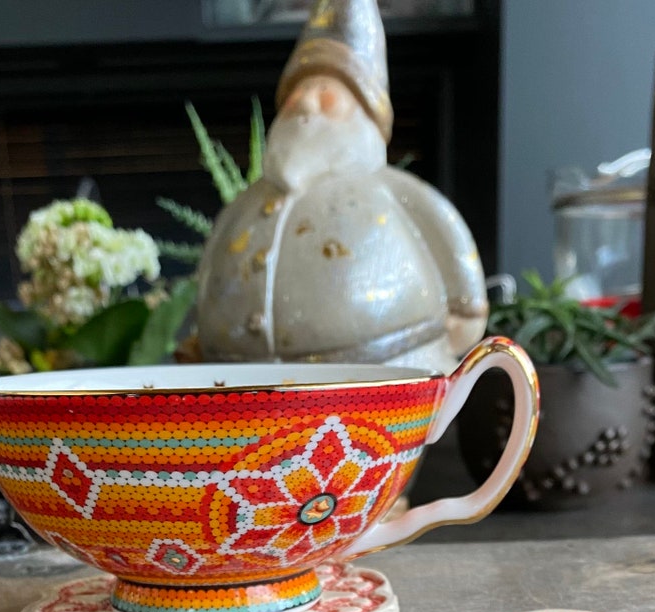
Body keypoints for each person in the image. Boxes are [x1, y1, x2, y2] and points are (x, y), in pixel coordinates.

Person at [196, 0, 488, 372]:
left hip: (388, 370)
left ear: (366, 109)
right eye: (297, 93)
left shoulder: (392, 192)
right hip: (240, 385)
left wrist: (466, 309)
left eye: (326, 92)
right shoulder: (244, 206)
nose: (306, 104)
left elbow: (445, 231)